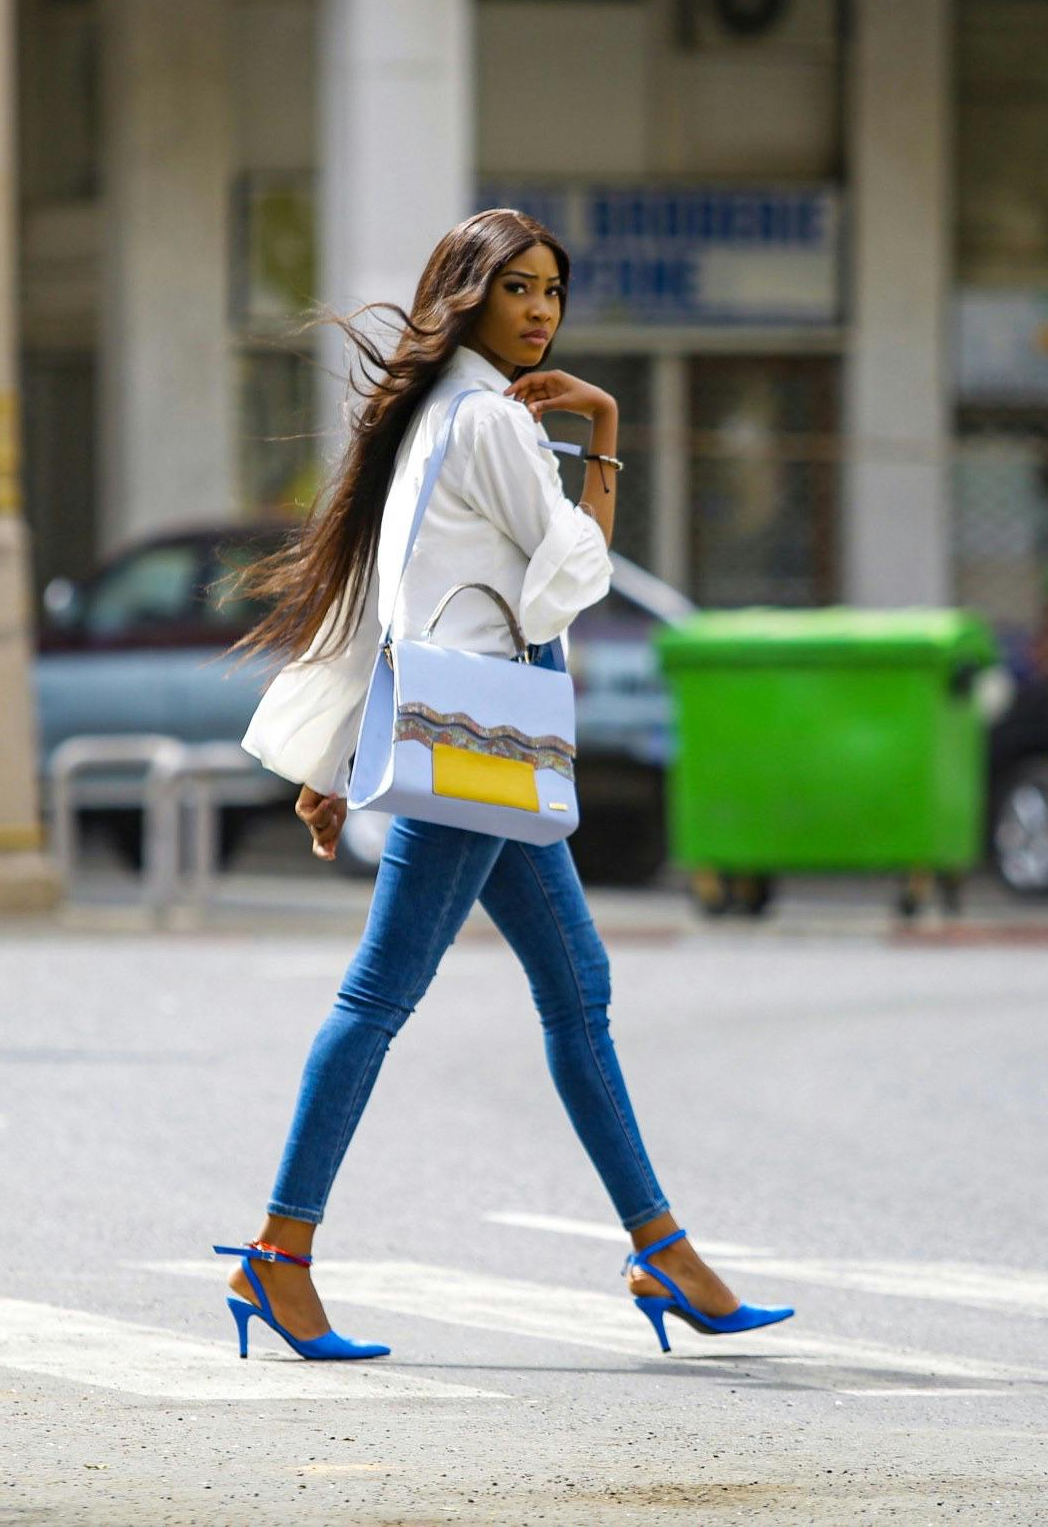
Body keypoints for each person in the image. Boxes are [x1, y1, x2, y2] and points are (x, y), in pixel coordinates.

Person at [220, 209, 793, 1360]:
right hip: (480, 744)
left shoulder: (433, 417)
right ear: (468, 295)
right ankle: (278, 1254)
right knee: (380, 994)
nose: (539, 310)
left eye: (552, 292)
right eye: (518, 288)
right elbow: (566, 580)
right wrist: (606, 427)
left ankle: (661, 1246)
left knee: (577, 983)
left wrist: (339, 767)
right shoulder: (485, 419)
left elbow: (386, 600)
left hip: (473, 741)